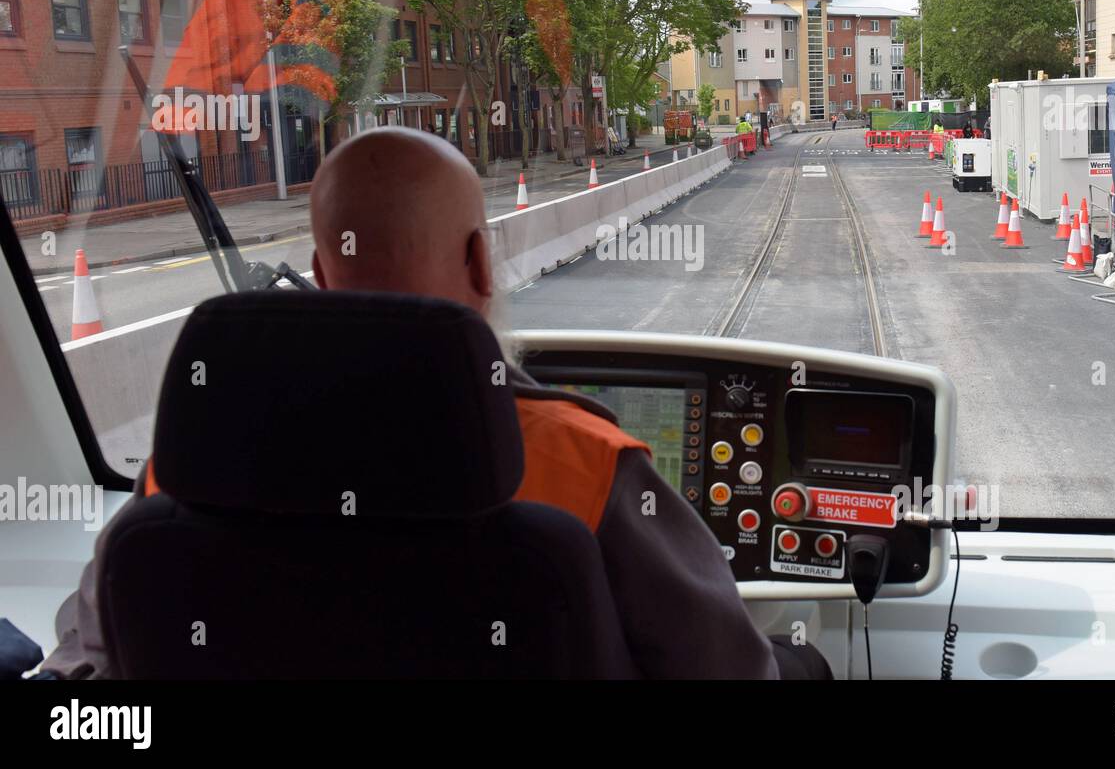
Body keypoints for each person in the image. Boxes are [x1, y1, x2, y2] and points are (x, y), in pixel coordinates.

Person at [42, 128, 827, 681]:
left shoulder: (190, 471)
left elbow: (82, 664)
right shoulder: (582, 465)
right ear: (483, 259)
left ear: (320, 268)